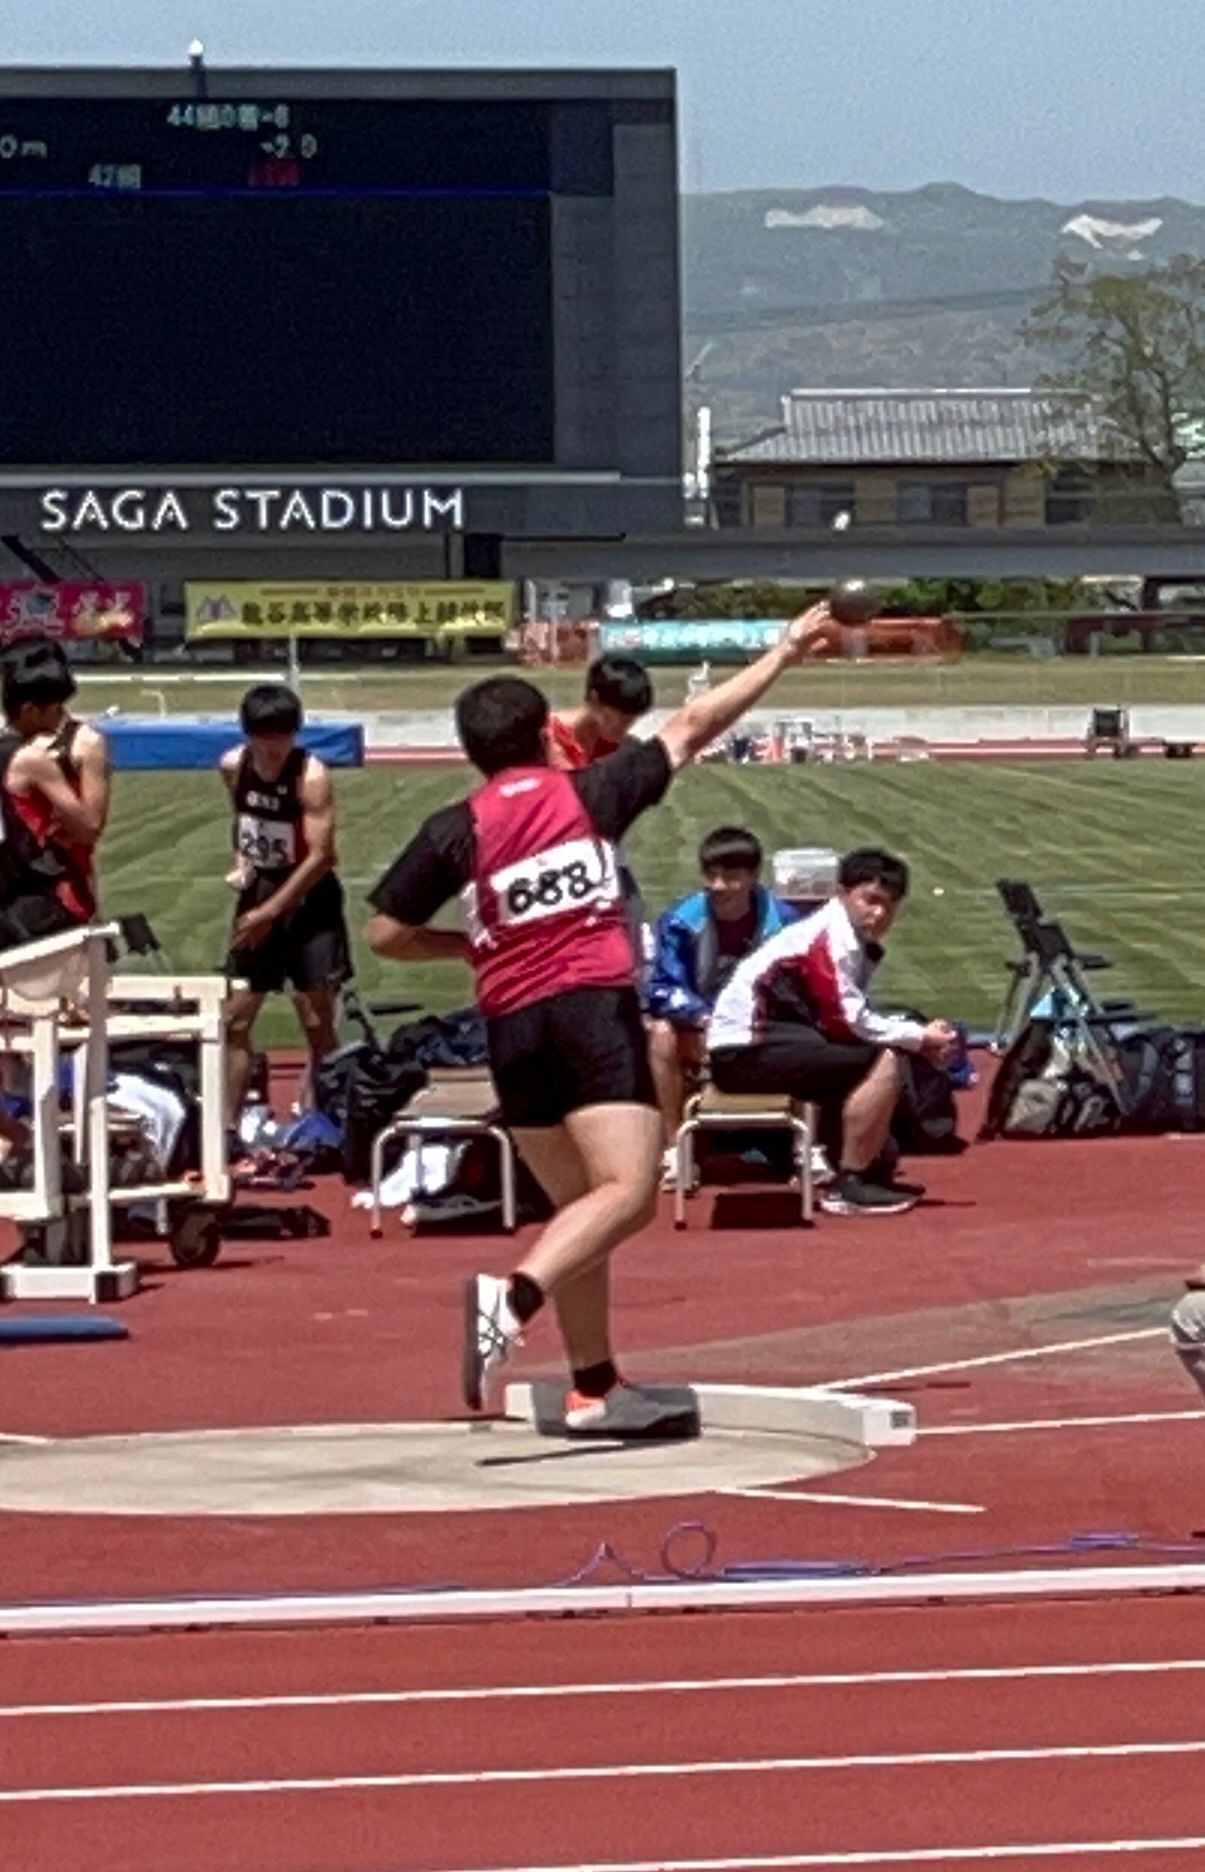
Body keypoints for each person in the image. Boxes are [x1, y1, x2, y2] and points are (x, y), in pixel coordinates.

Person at [366, 602, 844, 1431]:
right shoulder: (592, 793)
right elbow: (694, 724)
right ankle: (509, 1299)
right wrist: (785, 652)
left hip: (511, 1030)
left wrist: (470, 948)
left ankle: (595, 1385)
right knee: (628, 1193)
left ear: (471, 752)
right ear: (544, 737)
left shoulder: (453, 829)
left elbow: (385, 934)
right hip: (587, 1012)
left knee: (578, 1213)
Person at [707, 847, 960, 1217]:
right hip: (744, 1050)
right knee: (884, 1059)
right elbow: (848, 1019)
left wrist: (914, 1036)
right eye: (869, 900)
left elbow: (841, 1018)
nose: (878, 912)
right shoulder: (833, 936)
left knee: (882, 1130)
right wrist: (920, 1038)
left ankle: (863, 1171)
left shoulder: (844, 935)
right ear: (843, 893)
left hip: (765, 1043)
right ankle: (851, 1185)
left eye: (889, 906)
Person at [221, 684, 350, 1131]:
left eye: (283, 737)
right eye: (264, 738)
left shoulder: (309, 775)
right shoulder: (234, 766)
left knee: (315, 1019)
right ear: (249, 734)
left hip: (309, 901)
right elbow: (241, 819)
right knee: (235, 1019)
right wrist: (242, 862)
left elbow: (321, 857)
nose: (274, 748)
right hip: (259, 894)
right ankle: (228, 1128)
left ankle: (327, 1120)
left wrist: (270, 912)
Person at [645, 826, 798, 1181]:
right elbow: (663, 987)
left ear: (754, 876)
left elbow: (798, 990)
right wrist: (703, 1017)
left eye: (730, 877)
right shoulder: (681, 921)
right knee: (660, 1035)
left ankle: (806, 1147)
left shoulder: (786, 923)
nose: (717, 886)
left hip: (760, 1028)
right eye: (711, 875)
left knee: (812, 1032)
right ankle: (674, 1151)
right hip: (699, 1029)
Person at [0, 640, 109, 944]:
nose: (59, 716)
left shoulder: (85, 742)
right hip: (34, 887)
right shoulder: (30, 757)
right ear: (30, 709)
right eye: (55, 708)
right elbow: (87, 827)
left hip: (62, 880)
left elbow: (91, 829)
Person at [546, 654, 653, 771]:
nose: (624, 729)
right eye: (621, 719)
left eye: (630, 721)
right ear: (594, 700)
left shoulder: (617, 746)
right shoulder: (546, 736)